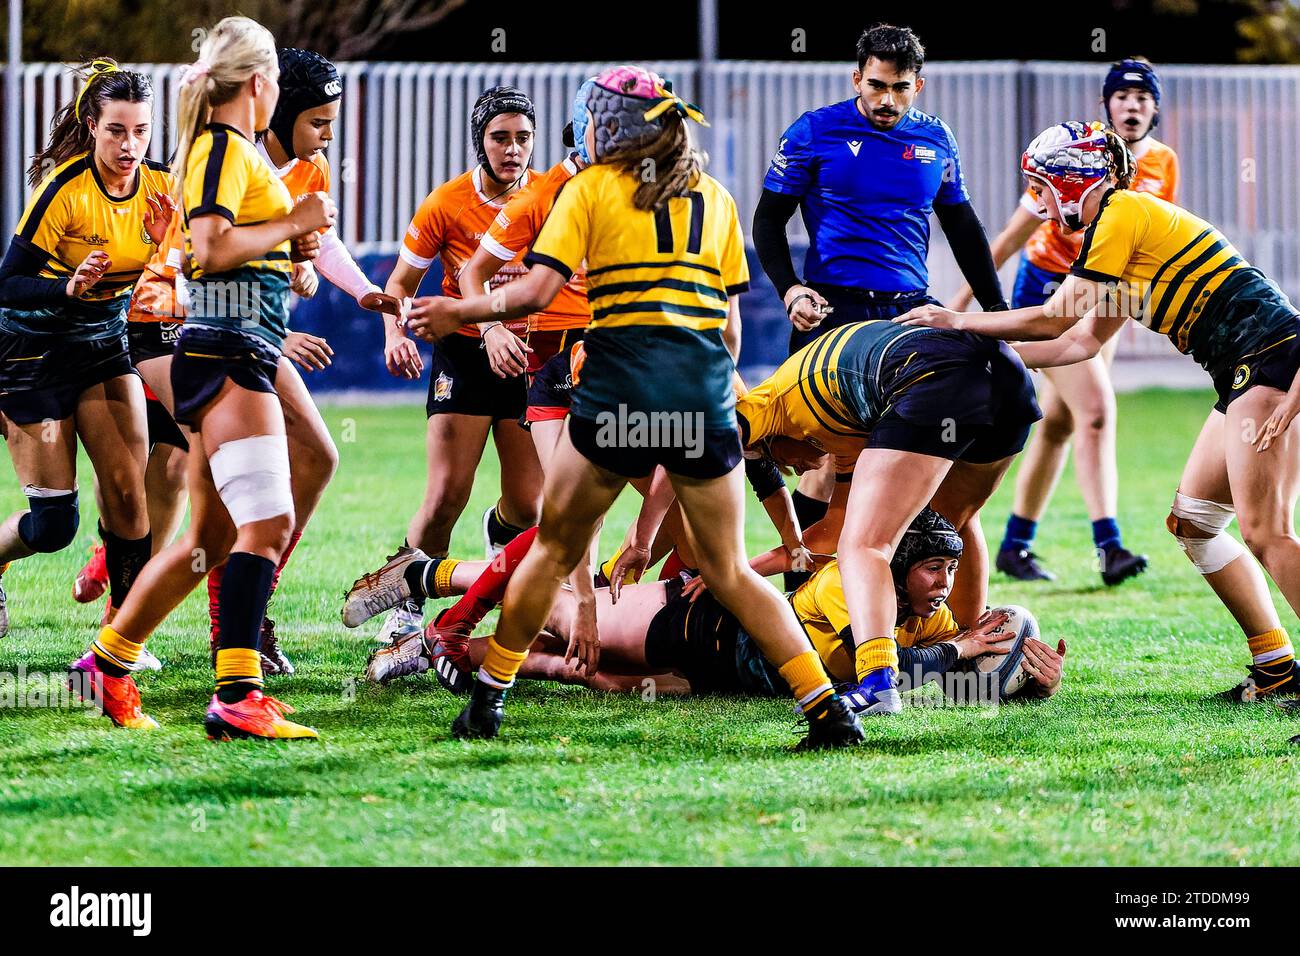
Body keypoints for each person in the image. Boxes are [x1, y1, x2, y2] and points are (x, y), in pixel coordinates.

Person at [403, 65, 864, 748]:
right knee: (732, 570)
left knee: (555, 549)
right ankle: (827, 709)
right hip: (702, 400)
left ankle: (487, 701)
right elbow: (730, 327)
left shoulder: (589, 189)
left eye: (593, 119)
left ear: (614, 128)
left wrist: (459, 311)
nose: (585, 131)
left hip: (618, 394)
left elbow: (533, 294)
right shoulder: (714, 197)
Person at [900, 120, 1300, 705]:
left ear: (1071, 177)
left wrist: (958, 322)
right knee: (1194, 523)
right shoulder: (1118, 233)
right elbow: (1077, 344)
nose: (1037, 201)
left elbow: (1056, 318)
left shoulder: (1120, 214)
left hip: (1270, 361)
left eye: (1040, 186)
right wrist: (980, 353)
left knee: (1267, 531)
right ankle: (1277, 669)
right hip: (1245, 371)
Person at [69, 16, 335, 738]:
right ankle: (237, 694)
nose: (279, 89)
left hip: (225, 346)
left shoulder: (234, 148)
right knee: (269, 523)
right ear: (259, 82)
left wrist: (295, 247)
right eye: (277, 78)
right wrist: (293, 225)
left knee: (206, 545)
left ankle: (107, 664)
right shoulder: (223, 145)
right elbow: (210, 248)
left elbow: (222, 246)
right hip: (229, 352)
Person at [752, 23, 1007, 589]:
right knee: (823, 461)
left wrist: (996, 311)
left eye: (899, 88)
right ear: (856, 80)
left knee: (921, 462)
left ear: (919, 85)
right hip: (831, 312)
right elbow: (769, 217)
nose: (886, 100)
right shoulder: (814, 131)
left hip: (908, 313)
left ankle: (932, 607)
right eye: (875, 87)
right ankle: (805, 598)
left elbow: (962, 225)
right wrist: (791, 289)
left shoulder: (937, 139)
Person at [353, 509, 1067, 705]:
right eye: (936, 567)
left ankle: (420, 650)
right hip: (696, 618)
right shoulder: (861, 584)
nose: (946, 582)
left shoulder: (928, 618)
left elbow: (936, 671)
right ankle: (426, 575)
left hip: (710, 670)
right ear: (902, 567)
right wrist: (956, 654)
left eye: (953, 568)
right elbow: (903, 667)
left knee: (564, 659)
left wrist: (1024, 678)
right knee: (566, 610)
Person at [729, 318, 1041, 713]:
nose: (802, 470)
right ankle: (978, 649)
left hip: (935, 377)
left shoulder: (765, 407)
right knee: (946, 524)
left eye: (785, 463)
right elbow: (832, 527)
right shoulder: (845, 430)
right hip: (1004, 378)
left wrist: (729, 572)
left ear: (769, 440)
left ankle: (876, 685)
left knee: (864, 546)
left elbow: (695, 458)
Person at [950, 58, 1177, 585]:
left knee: (1059, 422)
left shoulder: (1163, 161)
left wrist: (1144, 301)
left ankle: (1015, 545)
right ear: (1107, 104)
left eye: (1144, 96)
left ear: (1156, 107)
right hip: (1056, 286)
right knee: (1096, 412)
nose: (1133, 104)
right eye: (1122, 95)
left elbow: (1150, 237)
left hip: (1109, 293)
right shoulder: (1072, 156)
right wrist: (962, 306)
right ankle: (1110, 546)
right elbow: (1007, 238)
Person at [0, 59, 169, 642]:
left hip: (101, 342)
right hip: (32, 348)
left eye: (142, 131)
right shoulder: (65, 191)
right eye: (117, 130)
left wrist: (176, 240)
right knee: (54, 525)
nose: (131, 145)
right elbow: (8, 281)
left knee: (129, 494)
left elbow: (194, 265)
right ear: (93, 125)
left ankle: (122, 641)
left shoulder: (162, 190)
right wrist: (66, 285)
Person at [374, 85, 545, 645]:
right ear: (480, 141)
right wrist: (394, 330)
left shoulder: (551, 197)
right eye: (500, 137)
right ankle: (406, 604)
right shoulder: (447, 203)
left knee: (528, 504)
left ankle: (498, 538)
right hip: (466, 352)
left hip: (529, 356)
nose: (512, 149)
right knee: (447, 493)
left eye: (523, 138)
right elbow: (399, 285)